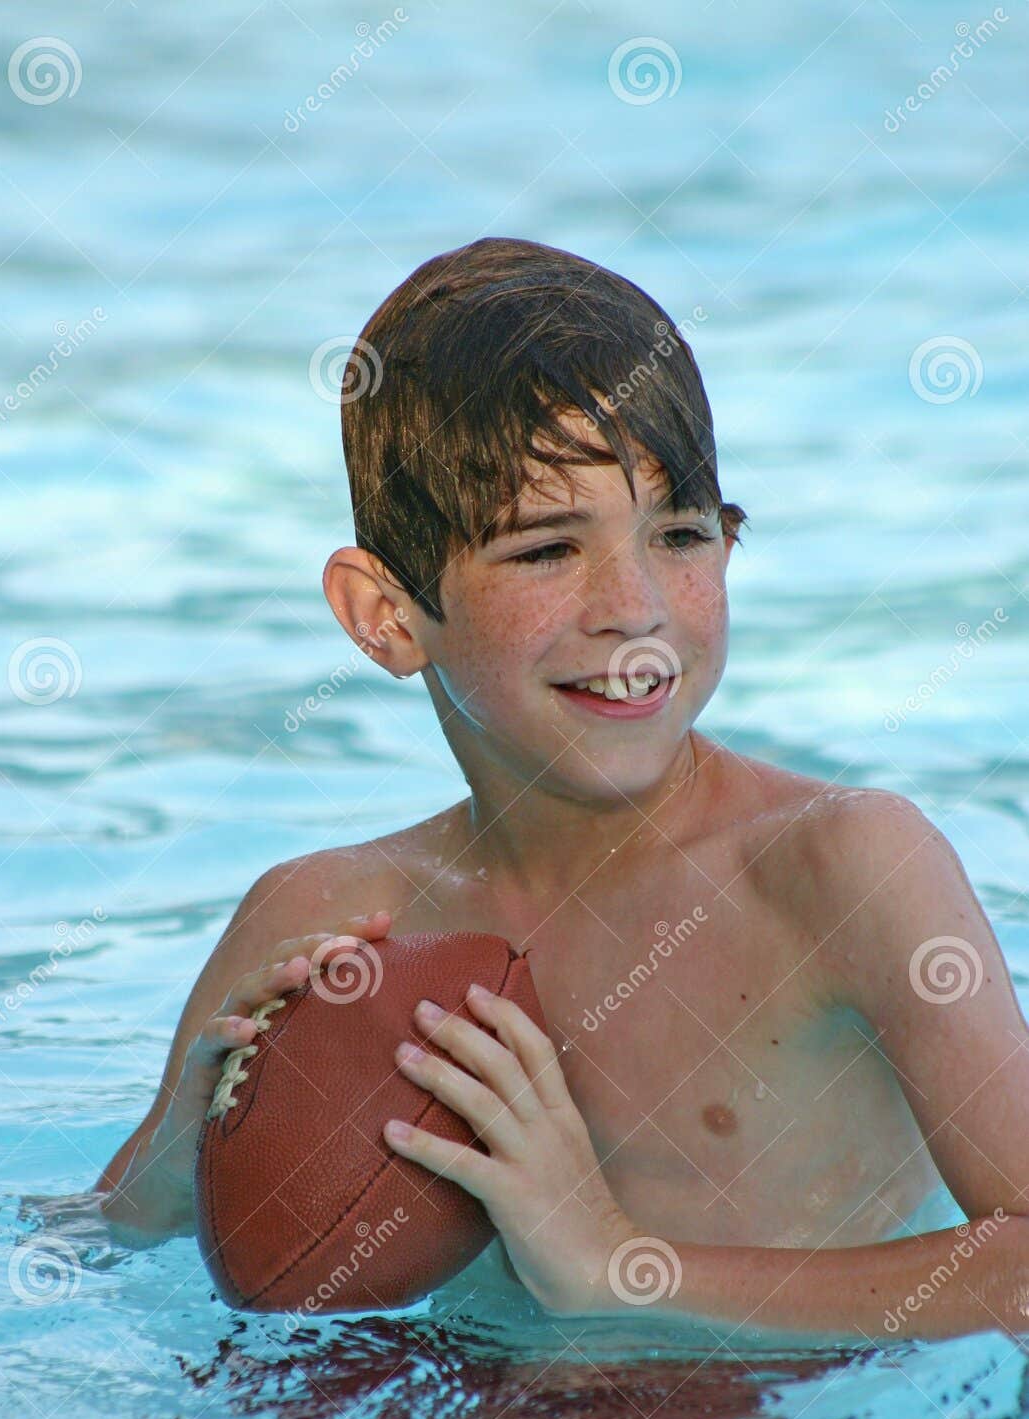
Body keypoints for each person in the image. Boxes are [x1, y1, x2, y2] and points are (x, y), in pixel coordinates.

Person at [96, 236, 1029, 1340]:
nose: (630, 604)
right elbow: (76, 1244)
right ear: (384, 615)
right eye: (545, 550)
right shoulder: (318, 924)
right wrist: (164, 1176)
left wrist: (625, 1266)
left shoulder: (841, 868)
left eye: (676, 533)